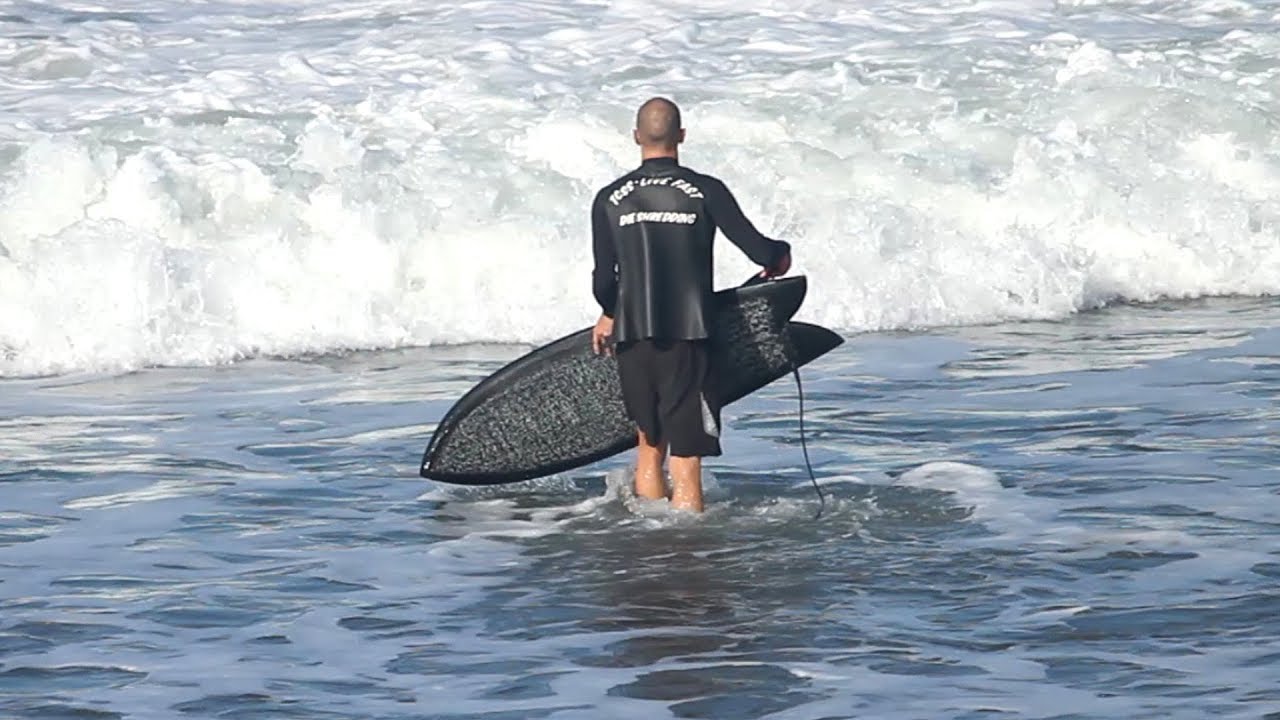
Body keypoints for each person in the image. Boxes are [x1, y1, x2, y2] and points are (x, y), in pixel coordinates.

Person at [589, 97, 792, 513]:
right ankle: (688, 550)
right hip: (690, 337)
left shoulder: (610, 198)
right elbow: (758, 250)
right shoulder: (705, 190)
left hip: (632, 337)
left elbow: (603, 279)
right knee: (687, 454)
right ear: (681, 136)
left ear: (636, 137)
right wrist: (780, 255)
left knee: (649, 443)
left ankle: (650, 541)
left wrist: (611, 313)